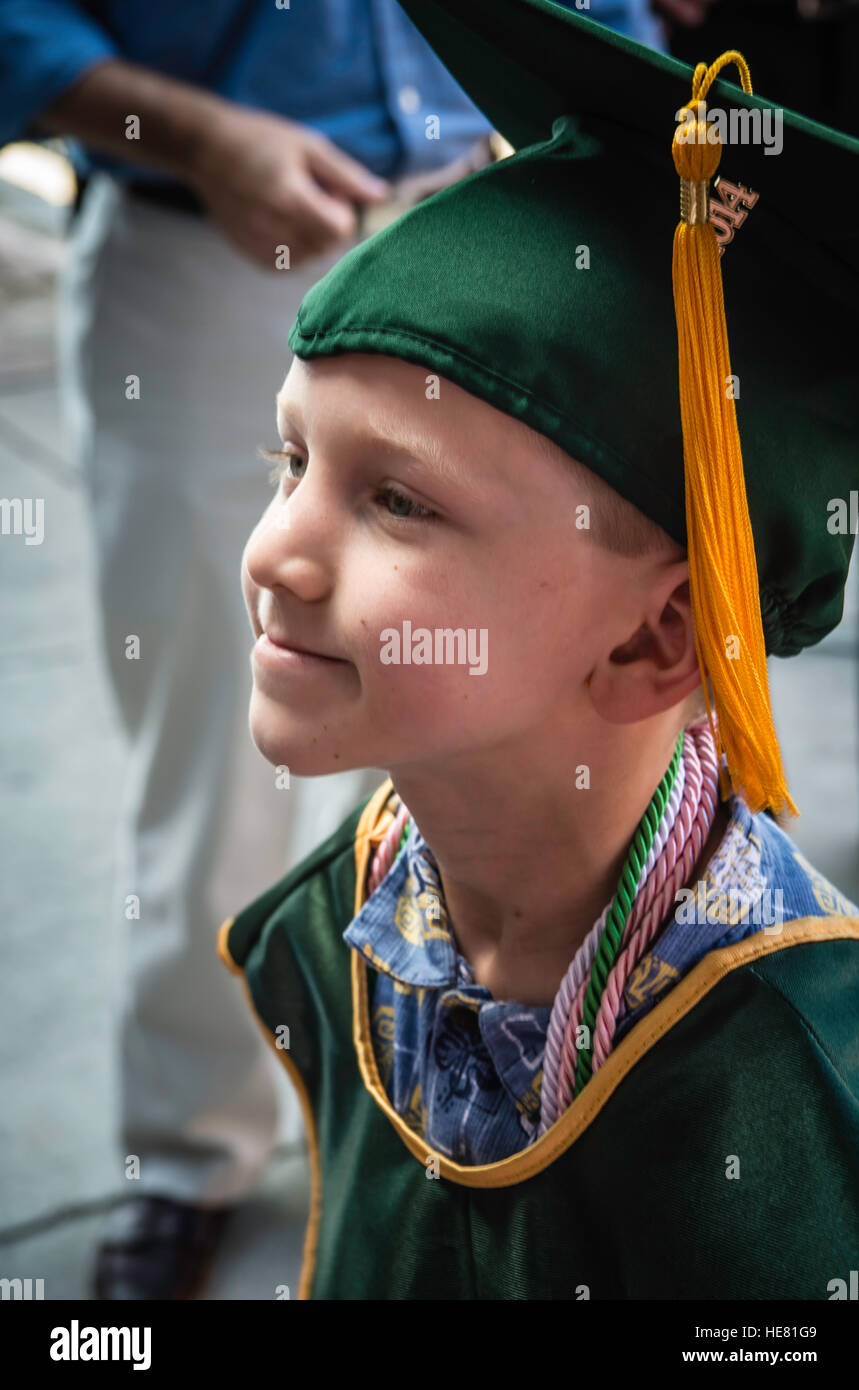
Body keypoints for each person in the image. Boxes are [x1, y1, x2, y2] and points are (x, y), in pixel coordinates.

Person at [219, 0, 859, 1299]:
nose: (275, 554)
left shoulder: (783, 1098)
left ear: (655, 637)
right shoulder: (362, 896)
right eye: (290, 460)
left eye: (398, 500)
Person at [0, 1, 505, 1299]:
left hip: (470, 228)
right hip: (211, 246)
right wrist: (191, 131)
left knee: (463, 733)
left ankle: (435, 1115)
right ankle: (186, 1155)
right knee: (215, 755)